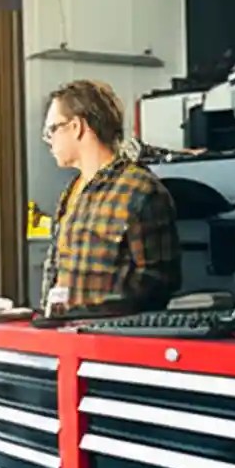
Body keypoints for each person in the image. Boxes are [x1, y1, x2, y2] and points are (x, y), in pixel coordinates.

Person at [40, 79, 182, 312]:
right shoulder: (73, 190)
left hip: (111, 338)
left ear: (76, 127)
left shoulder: (140, 190)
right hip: (66, 335)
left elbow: (158, 282)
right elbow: (56, 270)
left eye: (52, 130)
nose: (49, 141)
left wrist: (95, 313)